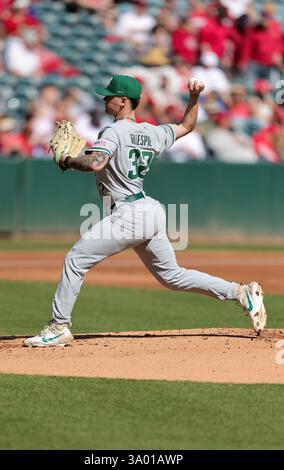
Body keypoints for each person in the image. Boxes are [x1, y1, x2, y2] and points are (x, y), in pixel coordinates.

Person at [24, 75, 267, 347]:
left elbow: (95, 162)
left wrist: (68, 160)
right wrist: (195, 96)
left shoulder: (113, 132)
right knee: (172, 276)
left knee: (75, 260)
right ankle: (241, 293)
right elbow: (187, 125)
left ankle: (58, 326)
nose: (105, 99)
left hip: (128, 213)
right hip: (148, 210)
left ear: (123, 101)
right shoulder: (151, 132)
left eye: (110, 95)